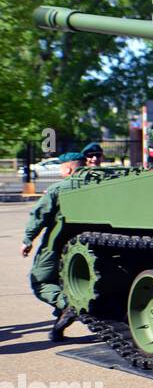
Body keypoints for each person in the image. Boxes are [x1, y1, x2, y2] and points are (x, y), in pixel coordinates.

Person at [22, 143, 102, 340]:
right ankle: (58, 329)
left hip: (58, 244)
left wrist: (28, 239)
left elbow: (40, 215)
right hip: (95, 244)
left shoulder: (59, 188)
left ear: (67, 168)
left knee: (40, 282)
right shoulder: (101, 184)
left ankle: (70, 304)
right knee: (66, 282)